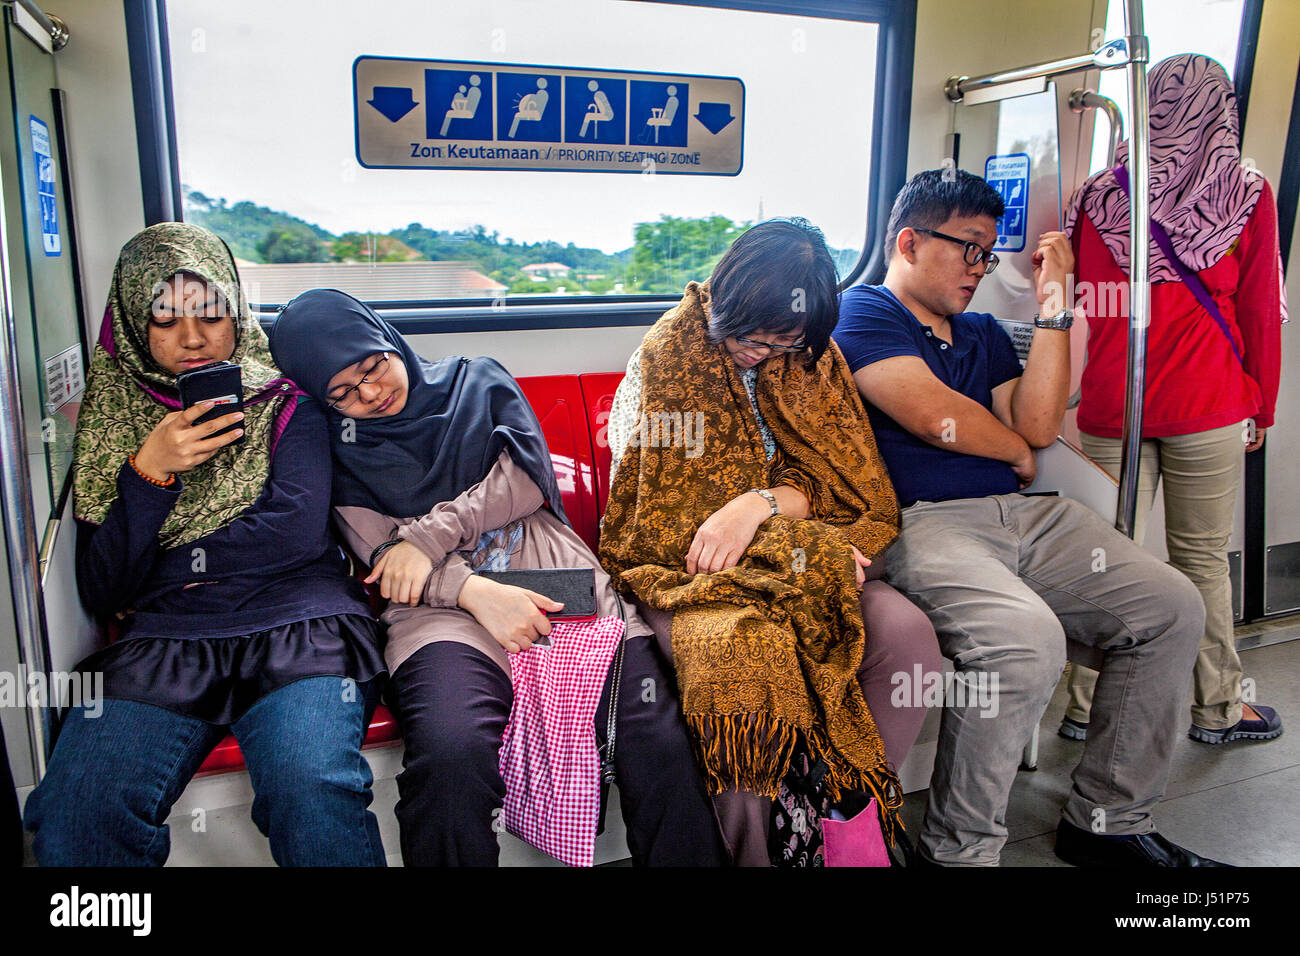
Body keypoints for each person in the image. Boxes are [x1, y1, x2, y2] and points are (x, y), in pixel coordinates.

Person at [833, 169, 1225, 867]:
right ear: (909, 242)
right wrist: (1011, 443)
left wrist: (1054, 306)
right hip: (927, 524)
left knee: (1172, 606)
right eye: (969, 249)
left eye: (990, 254)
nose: (981, 269)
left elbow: (1040, 425)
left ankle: (1108, 821)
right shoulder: (863, 312)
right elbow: (935, 418)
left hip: (1028, 515)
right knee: (1024, 639)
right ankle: (960, 852)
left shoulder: (981, 332)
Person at [269, 289, 725, 867]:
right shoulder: (333, 445)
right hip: (439, 611)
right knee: (450, 759)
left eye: (372, 367)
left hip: (554, 573)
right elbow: (380, 554)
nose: (371, 394)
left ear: (386, 340)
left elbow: (524, 482)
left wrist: (424, 538)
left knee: (660, 741)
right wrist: (469, 589)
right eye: (343, 394)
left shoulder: (476, 384)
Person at [23, 223, 387, 866]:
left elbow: (293, 539)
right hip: (167, 640)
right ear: (135, 324)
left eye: (212, 314)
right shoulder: (110, 422)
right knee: (78, 807)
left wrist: (158, 567)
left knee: (313, 788)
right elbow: (103, 587)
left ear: (236, 311)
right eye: (165, 320)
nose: (193, 339)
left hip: (297, 624)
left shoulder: (287, 402)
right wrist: (151, 472)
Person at [600, 218, 944, 866]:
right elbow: (661, 512)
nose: (763, 354)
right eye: (751, 339)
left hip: (801, 554)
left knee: (908, 640)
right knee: (747, 661)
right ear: (726, 303)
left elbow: (842, 477)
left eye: (782, 342)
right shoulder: (667, 356)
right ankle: (758, 856)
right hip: (689, 570)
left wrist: (758, 507)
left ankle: (844, 814)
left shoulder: (814, 359)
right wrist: (755, 526)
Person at [1061, 54, 1284, 747]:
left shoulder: (1099, 195)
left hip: (1111, 407)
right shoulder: (1245, 192)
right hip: (1208, 405)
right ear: (1223, 108)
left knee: (1101, 560)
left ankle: (1080, 706)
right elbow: (1259, 316)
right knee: (1202, 562)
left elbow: (1088, 305)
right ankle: (1217, 708)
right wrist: (1262, 407)